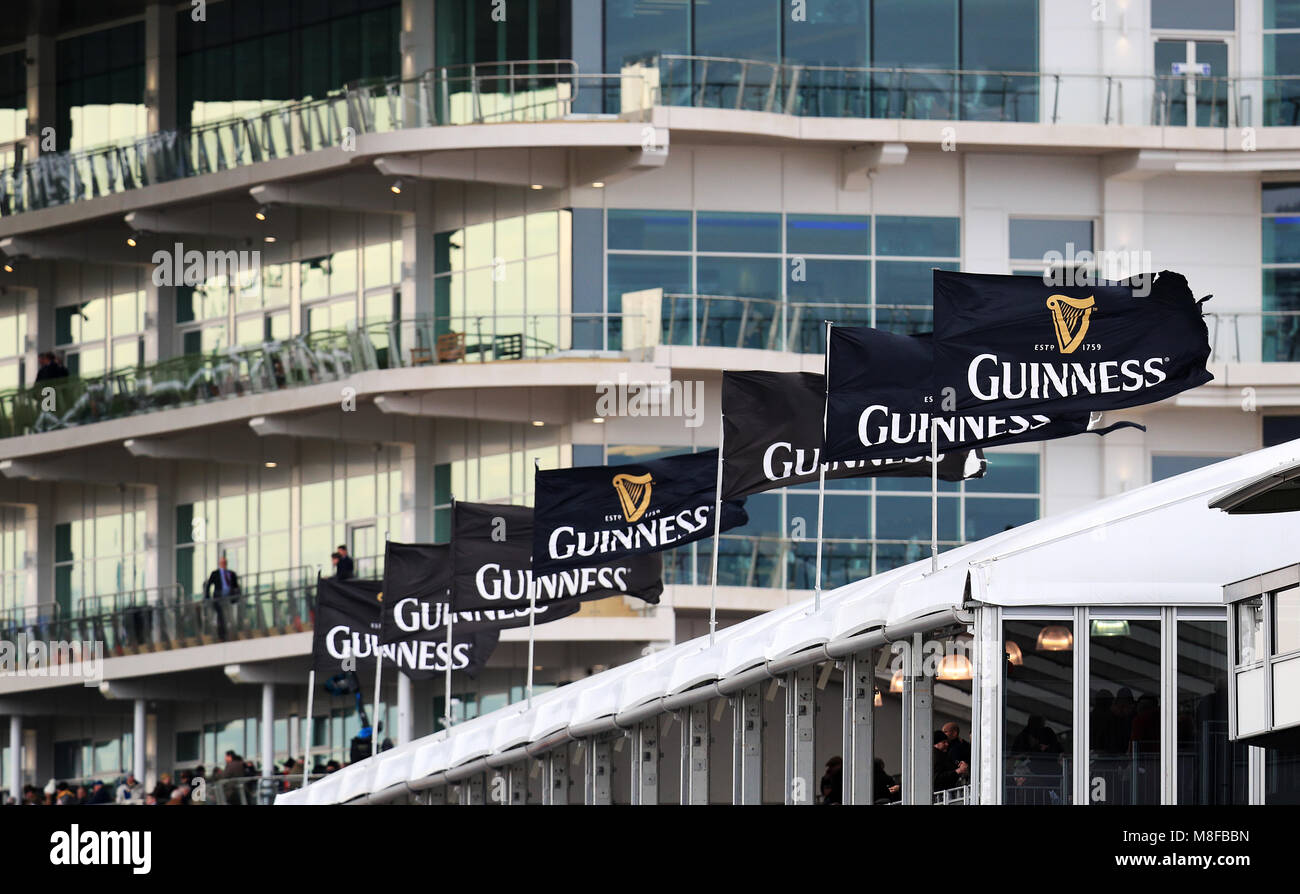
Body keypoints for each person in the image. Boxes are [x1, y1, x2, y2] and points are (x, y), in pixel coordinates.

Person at [203, 556, 240, 640]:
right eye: (222, 562)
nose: (223, 564)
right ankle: (222, 635)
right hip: (219, 599)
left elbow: (236, 586)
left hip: (229, 598)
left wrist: (236, 597)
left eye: (224, 562)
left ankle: (232, 634)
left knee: (230, 617)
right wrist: (207, 596)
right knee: (221, 617)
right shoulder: (215, 573)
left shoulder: (231, 573)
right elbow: (208, 585)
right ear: (219, 564)